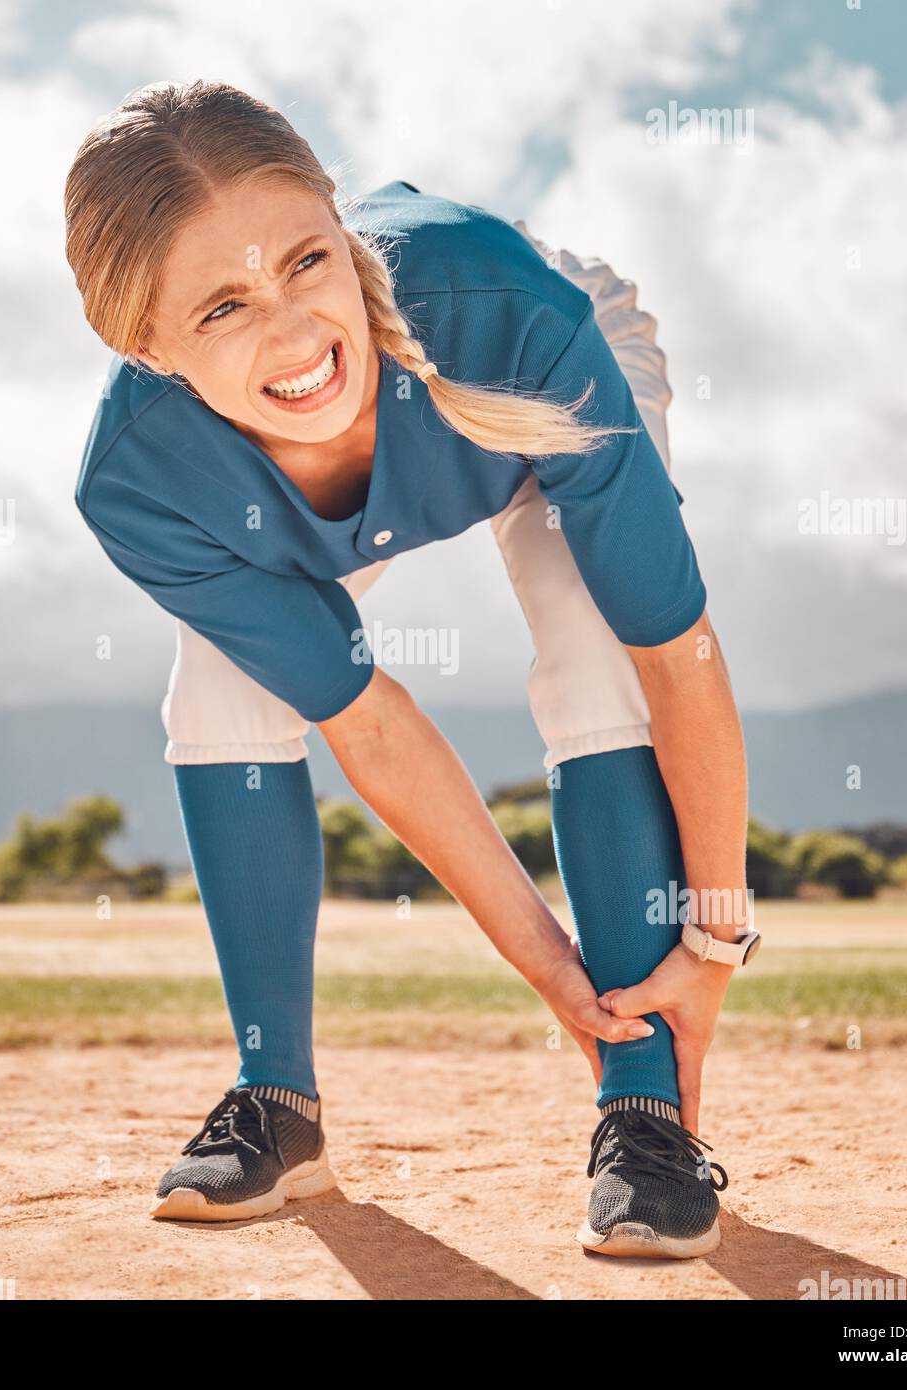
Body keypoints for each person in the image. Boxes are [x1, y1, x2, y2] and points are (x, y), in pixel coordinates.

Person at [64, 79, 758, 1258]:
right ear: (146, 346)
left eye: (307, 261)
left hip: (516, 384)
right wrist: (549, 967)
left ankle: (645, 1109)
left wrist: (714, 942)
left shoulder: (505, 311)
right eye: (223, 306)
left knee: (596, 655)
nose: (293, 332)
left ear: (342, 227)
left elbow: (677, 655)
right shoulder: (143, 479)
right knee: (222, 695)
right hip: (305, 461)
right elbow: (369, 719)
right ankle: (276, 1100)